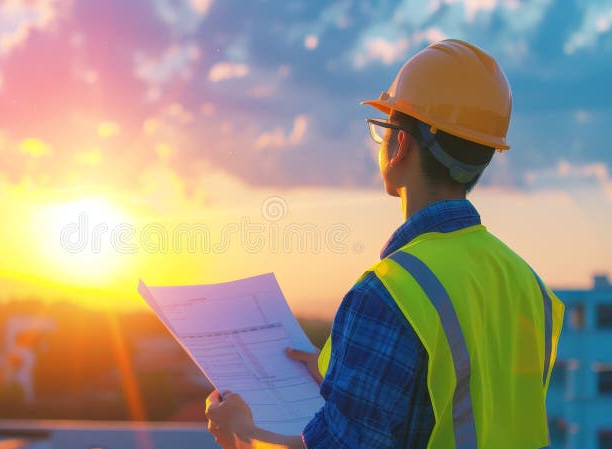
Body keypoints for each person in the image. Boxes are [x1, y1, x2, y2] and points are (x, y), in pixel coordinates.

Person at [205, 39, 564, 449]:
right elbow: (464, 394)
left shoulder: (390, 292)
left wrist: (243, 432)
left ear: (402, 146)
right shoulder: (528, 284)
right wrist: (333, 370)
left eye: (385, 129)